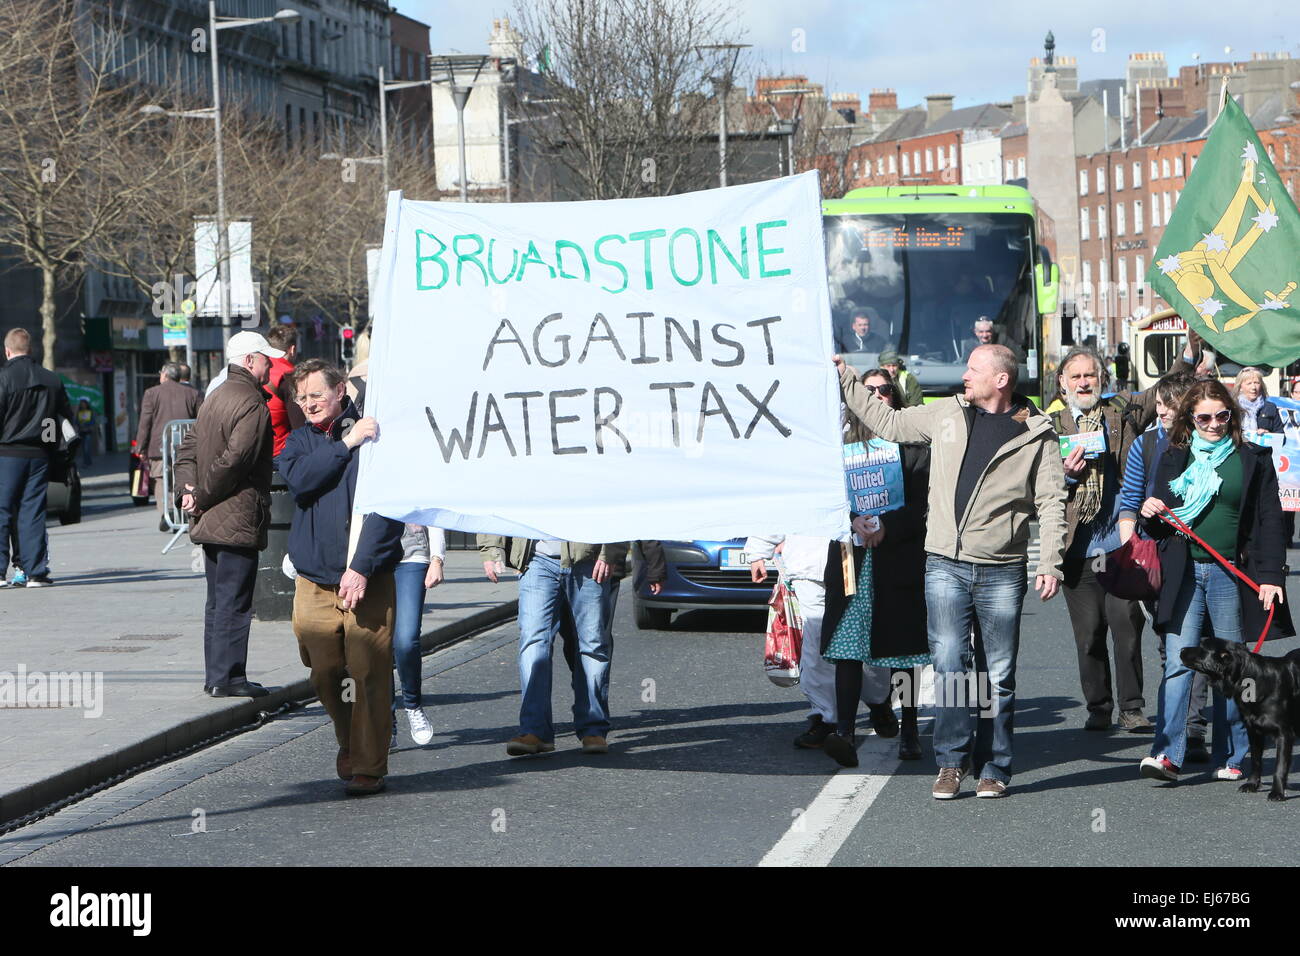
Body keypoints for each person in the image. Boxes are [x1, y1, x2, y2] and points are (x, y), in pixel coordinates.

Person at [835, 343, 1067, 799]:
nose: (964, 375)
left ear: (1001, 379)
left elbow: (1052, 501)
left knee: (997, 672)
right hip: (944, 562)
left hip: (1001, 568)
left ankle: (995, 768)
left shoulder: (1037, 431)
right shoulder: (945, 413)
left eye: (973, 368)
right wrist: (845, 376)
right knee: (949, 666)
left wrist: (1050, 561)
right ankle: (951, 762)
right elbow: (889, 422)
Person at [1138, 379, 1292, 784]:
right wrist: (1150, 512)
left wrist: (1273, 576)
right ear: (1190, 417)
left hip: (1231, 573)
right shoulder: (1173, 455)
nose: (1213, 424)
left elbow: (1269, 520)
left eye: (1221, 415)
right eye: (1203, 416)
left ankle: (1237, 754)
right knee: (1178, 662)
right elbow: (1154, 524)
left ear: (1232, 414)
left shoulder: (1252, 458)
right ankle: (1167, 754)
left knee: (1239, 667)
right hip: (1184, 572)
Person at [278, 359, 404, 796]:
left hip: (366, 575)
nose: (308, 403)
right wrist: (345, 444)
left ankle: (368, 764)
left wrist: (362, 567)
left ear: (340, 392)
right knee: (324, 668)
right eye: (302, 397)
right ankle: (348, 738)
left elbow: (387, 509)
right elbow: (300, 481)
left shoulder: (375, 437)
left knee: (368, 668)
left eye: (316, 394)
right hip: (313, 577)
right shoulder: (299, 442)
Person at [822, 369, 932, 767]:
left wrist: (889, 526)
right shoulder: (839, 447)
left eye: (884, 389)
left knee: (903, 650)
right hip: (854, 560)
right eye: (868, 391)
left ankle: (911, 729)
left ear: (895, 396)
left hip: (898, 559)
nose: (877, 395)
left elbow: (924, 505)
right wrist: (852, 519)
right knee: (848, 645)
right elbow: (827, 500)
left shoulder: (915, 446)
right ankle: (845, 733)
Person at [173, 331, 282, 698]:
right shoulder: (251, 402)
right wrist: (200, 496)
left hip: (211, 518)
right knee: (234, 601)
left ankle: (216, 675)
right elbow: (236, 461)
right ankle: (229, 677)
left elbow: (185, 450)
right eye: (266, 358)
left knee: (218, 600)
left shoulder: (215, 396)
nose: (271, 364)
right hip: (235, 516)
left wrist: (186, 492)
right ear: (249, 361)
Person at [1052, 347, 1151, 734]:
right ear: (1062, 383)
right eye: (1074, 377)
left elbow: (1163, 392)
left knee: (1126, 624)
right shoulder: (1050, 425)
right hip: (1077, 548)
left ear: (1102, 379)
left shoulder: (1119, 414)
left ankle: (1132, 707)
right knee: (1089, 634)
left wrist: (1191, 354)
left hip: (1118, 543)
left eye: (1089, 376)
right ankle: (1098, 707)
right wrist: (1067, 476)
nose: (1083, 383)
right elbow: (1037, 487)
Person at [1117, 370, 1210, 758]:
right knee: (1171, 642)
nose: (1163, 413)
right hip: (1162, 557)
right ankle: (1179, 728)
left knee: (1203, 642)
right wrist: (1130, 555)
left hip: (1206, 556)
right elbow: (1129, 501)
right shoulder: (1146, 444)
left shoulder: (1210, 444)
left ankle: (1194, 727)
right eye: (1159, 405)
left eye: (1171, 406)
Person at [478, 535, 628, 756]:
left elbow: (619, 504)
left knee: (592, 646)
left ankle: (593, 728)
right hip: (536, 560)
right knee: (533, 642)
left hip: (590, 559)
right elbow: (500, 500)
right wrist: (491, 549)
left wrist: (611, 552)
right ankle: (534, 731)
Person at [0, 328, 73, 588]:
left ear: (7, 351)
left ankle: (0, 571)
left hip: (7, 453)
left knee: (2, 510)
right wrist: (49, 445)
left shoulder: (4, 378)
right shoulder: (51, 380)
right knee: (33, 512)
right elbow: (58, 419)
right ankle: (36, 572)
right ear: (30, 350)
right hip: (40, 454)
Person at [391, 524, 445, 748]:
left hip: (411, 555)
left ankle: (412, 705)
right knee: (378, 643)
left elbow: (433, 506)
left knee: (406, 639)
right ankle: (386, 722)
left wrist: (437, 558)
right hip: (370, 558)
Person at [135, 362, 201, 530]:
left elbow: (145, 423)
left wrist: (140, 447)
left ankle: (168, 512)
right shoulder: (193, 393)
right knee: (186, 477)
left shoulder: (151, 393)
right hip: (187, 446)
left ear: (164, 375)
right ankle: (184, 512)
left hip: (159, 446)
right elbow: (202, 421)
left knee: (161, 479)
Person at [263, 324, 305, 457]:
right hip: (281, 451)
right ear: (292, 349)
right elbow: (299, 426)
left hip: (259, 449)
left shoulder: (259, 370)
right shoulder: (289, 376)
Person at [1232, 367, 1283, 436]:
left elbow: (1280, 435)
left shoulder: (1270, 407)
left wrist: (1268, 435)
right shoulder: (1233, 407)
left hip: (1263, 446)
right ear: (1240, 387)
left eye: (1256, 383)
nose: (1253, 387)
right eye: (1249, 383)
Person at [75, 399, 96, 467]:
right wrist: (79, 424)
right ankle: (88, 461)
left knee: (87, 447)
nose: (83, 405)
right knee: (84, 448)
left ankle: (87, 462)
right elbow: (76, 421)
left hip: (88, 432)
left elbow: (93, 421)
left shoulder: (90, 412)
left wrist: (86, 424)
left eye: (84, 404)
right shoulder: (79, 412)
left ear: (86, 404)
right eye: (81, 404)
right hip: (81, 432)